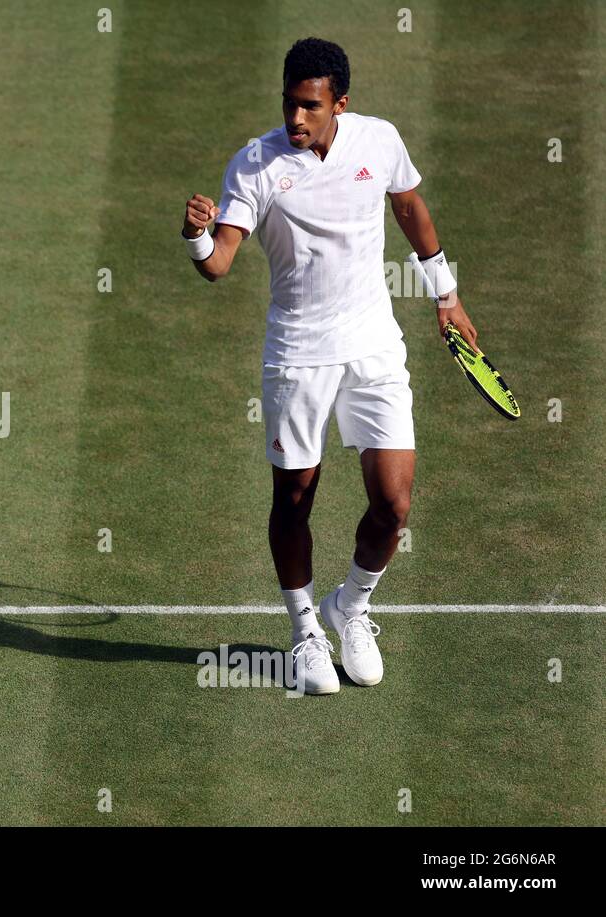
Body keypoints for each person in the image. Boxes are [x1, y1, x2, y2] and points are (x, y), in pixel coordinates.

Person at [180, 37, 479, 694]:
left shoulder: (379, 140)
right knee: (293, 498)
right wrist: (197, 233)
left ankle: (351, 606)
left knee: (393, 504)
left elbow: (409, 206)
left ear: (340, 103)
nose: (296, 117)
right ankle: (305, 630)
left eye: (311, 106)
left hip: (373, 343)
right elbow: (218, 264)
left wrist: (447, 295)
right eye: (289, 103)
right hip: (298, 353)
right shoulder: (255, 165)